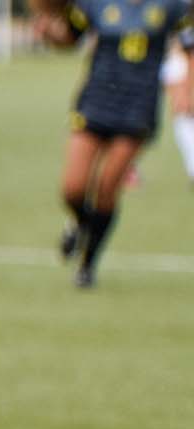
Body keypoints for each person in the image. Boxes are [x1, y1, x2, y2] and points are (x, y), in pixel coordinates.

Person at [37, 0, 194, 287]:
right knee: (72, 188)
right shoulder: (95, 4)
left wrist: (188, 84)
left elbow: (189, 41)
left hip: (138, 106)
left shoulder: (171, 6)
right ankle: (81, 223)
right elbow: (69, 38)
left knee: (106, 188)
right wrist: (49, 32)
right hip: (96, 100)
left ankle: (88, 264)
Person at [165, 37, 194, 185]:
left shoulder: (179, 60)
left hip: (185, 108)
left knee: (188, 141)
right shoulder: (175, 60)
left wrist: (185, 101)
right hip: (182, 108)